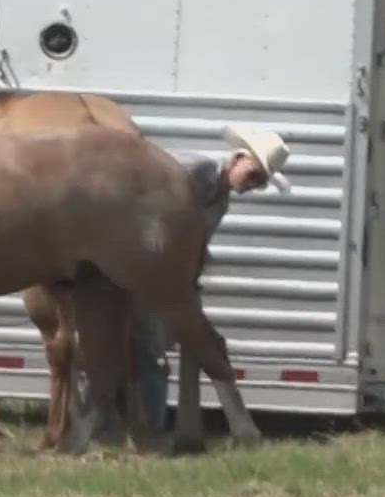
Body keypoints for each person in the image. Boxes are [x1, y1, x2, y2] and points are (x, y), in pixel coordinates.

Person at [78, 125, 290, 444]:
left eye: (261, 181)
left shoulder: (218, 205)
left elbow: (194, 247)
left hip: (159, 282)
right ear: (237, 158)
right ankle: (103, 425)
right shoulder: (191, 169)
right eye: (255, 174)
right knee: (108, 346)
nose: (255, 185)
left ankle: (146, 427)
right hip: (129, 264)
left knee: (150, 350)